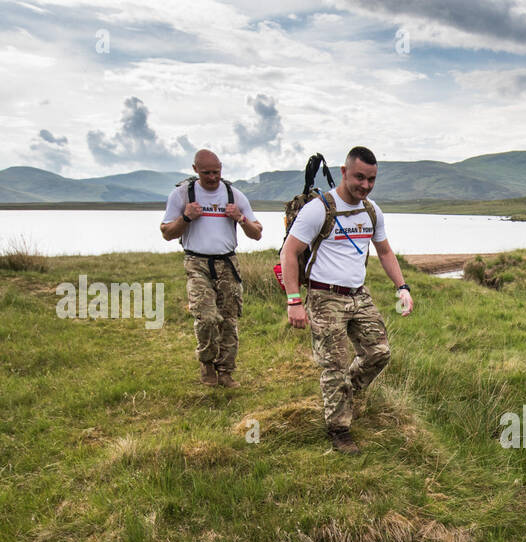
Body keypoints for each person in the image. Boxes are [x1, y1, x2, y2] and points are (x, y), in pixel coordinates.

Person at [279, 146, 414, 453]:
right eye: (359, 178)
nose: (365, 185)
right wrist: (294, 301)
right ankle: (339, 429)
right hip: (324, 296)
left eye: (371, 179)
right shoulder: (318, 209)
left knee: (379, 353)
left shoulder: (371, 211)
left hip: (359, 295)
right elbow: (290, 252)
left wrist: (402, 287)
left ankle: (343, 394)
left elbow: (384, 251)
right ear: (343, 172)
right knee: (335, 365)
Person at [160, 149, 263, 387]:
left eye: (216, 172)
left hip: (228, 263)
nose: (212, 177)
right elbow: (166, 233)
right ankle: (207, 364)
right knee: (206, 317)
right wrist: (186, 218)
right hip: (197, 263)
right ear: (195, 169)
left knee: (229, 319)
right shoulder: (182, 195)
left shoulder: (233, 195)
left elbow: (257, 233)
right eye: (206, 173)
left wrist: (240, 218)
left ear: (221, 169)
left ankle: (225, 371)